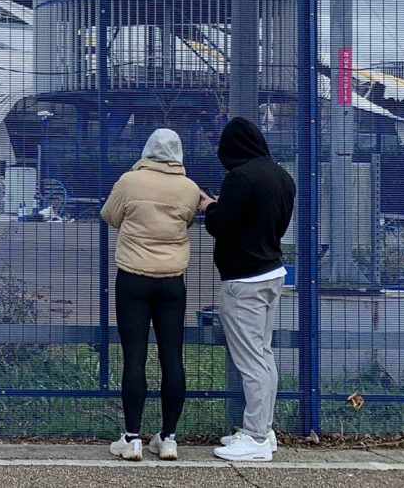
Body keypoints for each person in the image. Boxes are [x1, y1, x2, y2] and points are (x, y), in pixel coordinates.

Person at [99, 128, 201, 462]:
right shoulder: (189, 189)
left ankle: (132, 439)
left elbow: (109, 215)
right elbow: (186, 221)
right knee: (172, 357)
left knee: (135, 357)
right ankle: (168, 438)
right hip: (172, 282)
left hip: (133, 279)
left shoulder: (129, 182)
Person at [201, 115, 296, 463]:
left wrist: (210, 206)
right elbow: (277, 225)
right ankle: (263, 429)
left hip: (244, 279)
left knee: (252, 360)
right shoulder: (283, 177)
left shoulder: (240, 178)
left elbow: (220, 226)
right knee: (263, 354)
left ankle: (256, 437)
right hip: (273, 272)